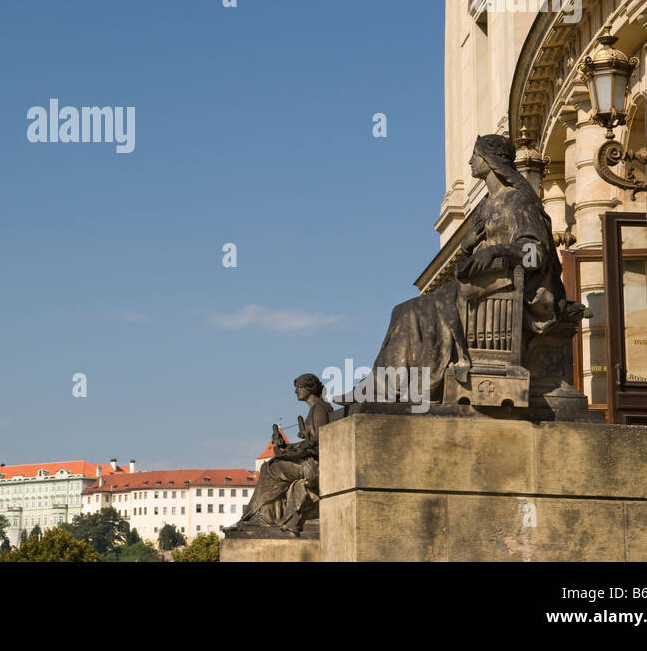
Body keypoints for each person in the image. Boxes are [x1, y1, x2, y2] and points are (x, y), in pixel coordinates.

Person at [359, 133, 578, 401]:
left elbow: (536, 253)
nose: (471, 161)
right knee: (404, 310)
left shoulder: (518, 199)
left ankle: (395, 388)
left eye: (476, 155)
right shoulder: (487, 204)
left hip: (507, 288)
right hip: (482, 286)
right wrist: (467, 246)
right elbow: (472, 256)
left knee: (414, 312)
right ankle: (385, 386)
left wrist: (499, 250)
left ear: (490, 160)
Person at [233, 373, 330, 535]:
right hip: (310, 459)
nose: (296, 391)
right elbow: (309, 442)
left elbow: (320, 440)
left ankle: (262, 517)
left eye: (299, 387)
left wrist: (294, 450)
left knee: (270, 468)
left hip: (313, 464)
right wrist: (285, 446)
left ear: (310, 388)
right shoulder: (315, 408)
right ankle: (264, 514)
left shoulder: (320, 408)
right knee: (270, 466)